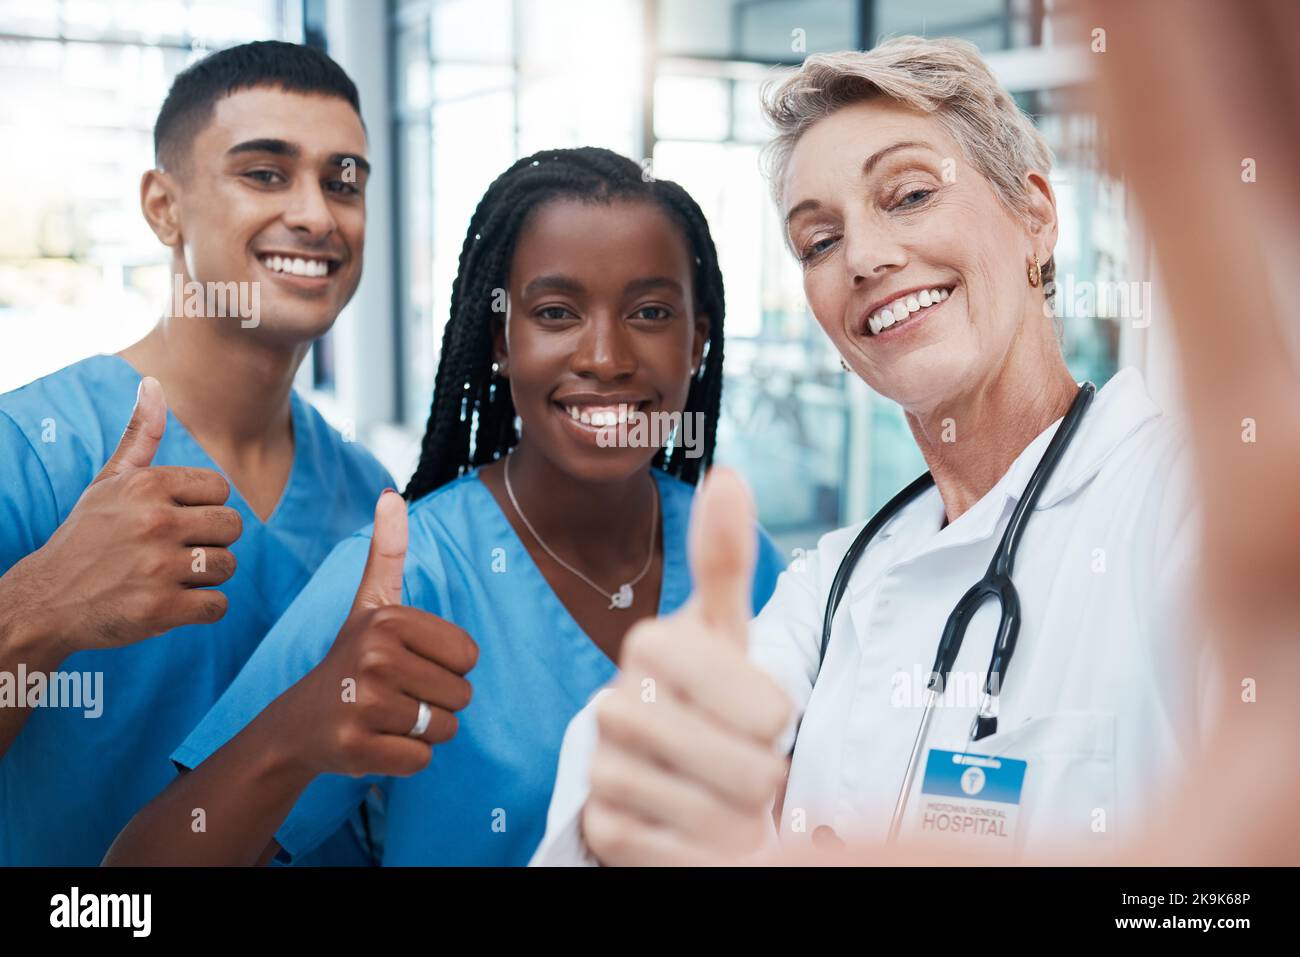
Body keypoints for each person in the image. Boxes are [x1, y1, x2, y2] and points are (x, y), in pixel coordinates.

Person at [531, 36, 1212, 866]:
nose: (864, 257)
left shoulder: (1191, 514)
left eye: (911, 194)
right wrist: (635, 797)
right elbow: (633, 778)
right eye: (818, 241)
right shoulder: (837, 581)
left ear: (1034, 215)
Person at [104, 147, 786, 866]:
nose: (607, 356)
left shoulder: (741, 561)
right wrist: (295, 731)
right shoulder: (406, 580)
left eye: (651, 312)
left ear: (697, 341)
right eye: (555, 312)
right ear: (502, 341)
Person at [0, 40, 392, 865]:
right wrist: (39, 609)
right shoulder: (30, 454)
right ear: (163, 207)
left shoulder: (369, 497)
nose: (317, 215)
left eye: (343, 181)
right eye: (265, 173)